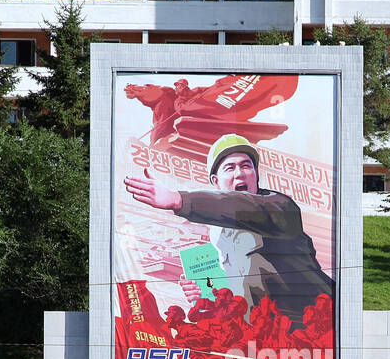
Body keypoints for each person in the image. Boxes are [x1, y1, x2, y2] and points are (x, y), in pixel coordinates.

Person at [123, 134, 334, 327]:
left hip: (316, 322)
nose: (240, 173)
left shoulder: (279, 208)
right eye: (230, 168)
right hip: (264, 336)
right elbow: (236, 290)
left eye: (246, 166)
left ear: (256, 173)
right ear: (216, 182)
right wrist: (207, 292)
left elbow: (240, 207)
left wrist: (179, 200)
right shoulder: (217, 234)